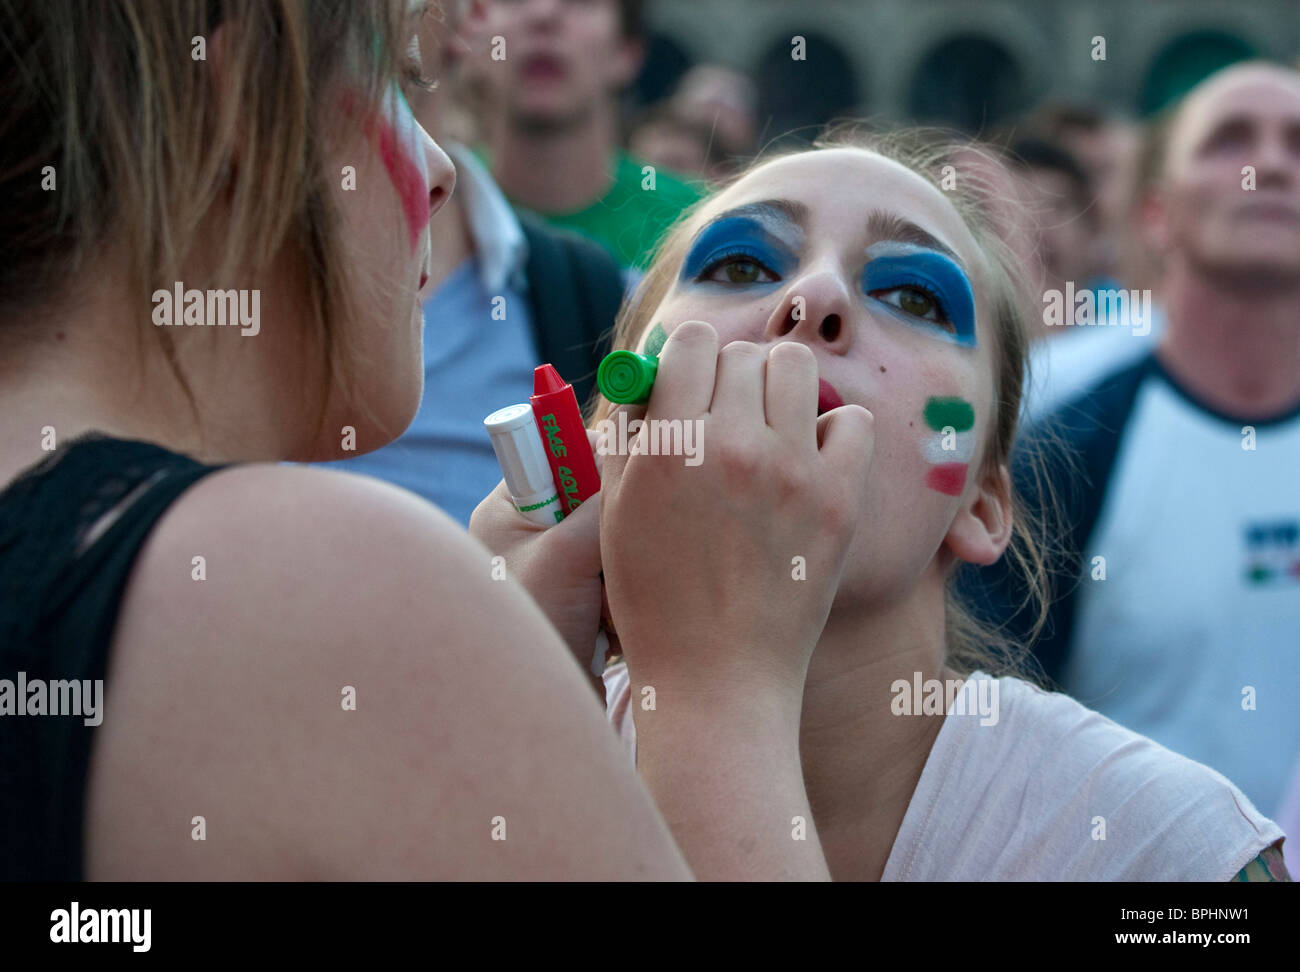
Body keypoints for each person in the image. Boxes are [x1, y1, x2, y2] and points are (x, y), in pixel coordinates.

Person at [0, 0, 837, 882]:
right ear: (242, 93)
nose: (439, 169)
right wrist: (720, 686)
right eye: (399, 81)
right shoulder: (322, 584)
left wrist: (515, 674)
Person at [472, 125, 1289, 880]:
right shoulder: (498, 743)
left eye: (914, 297)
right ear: (617, 420)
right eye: (743, 267)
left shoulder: (1174, 854)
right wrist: (504, 712)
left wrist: (715, 695)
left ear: (982, 500)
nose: (816, 299)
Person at [964, 62, 1300, 820]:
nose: (1271, 164)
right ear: (1156, 212)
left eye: (1298, 142)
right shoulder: (1055, 448)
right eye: (1230, 139)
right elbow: (983, 753)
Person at [318, 0, 624, 523]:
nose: (544, 14)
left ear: (471, 14)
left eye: (402, 73)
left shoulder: (591, 300)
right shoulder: (199, 309)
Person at [468, 0, 704, 269]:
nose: (543, 13)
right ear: (471, 37)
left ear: (627, 53)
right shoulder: (426, 215)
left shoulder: (696, 228)